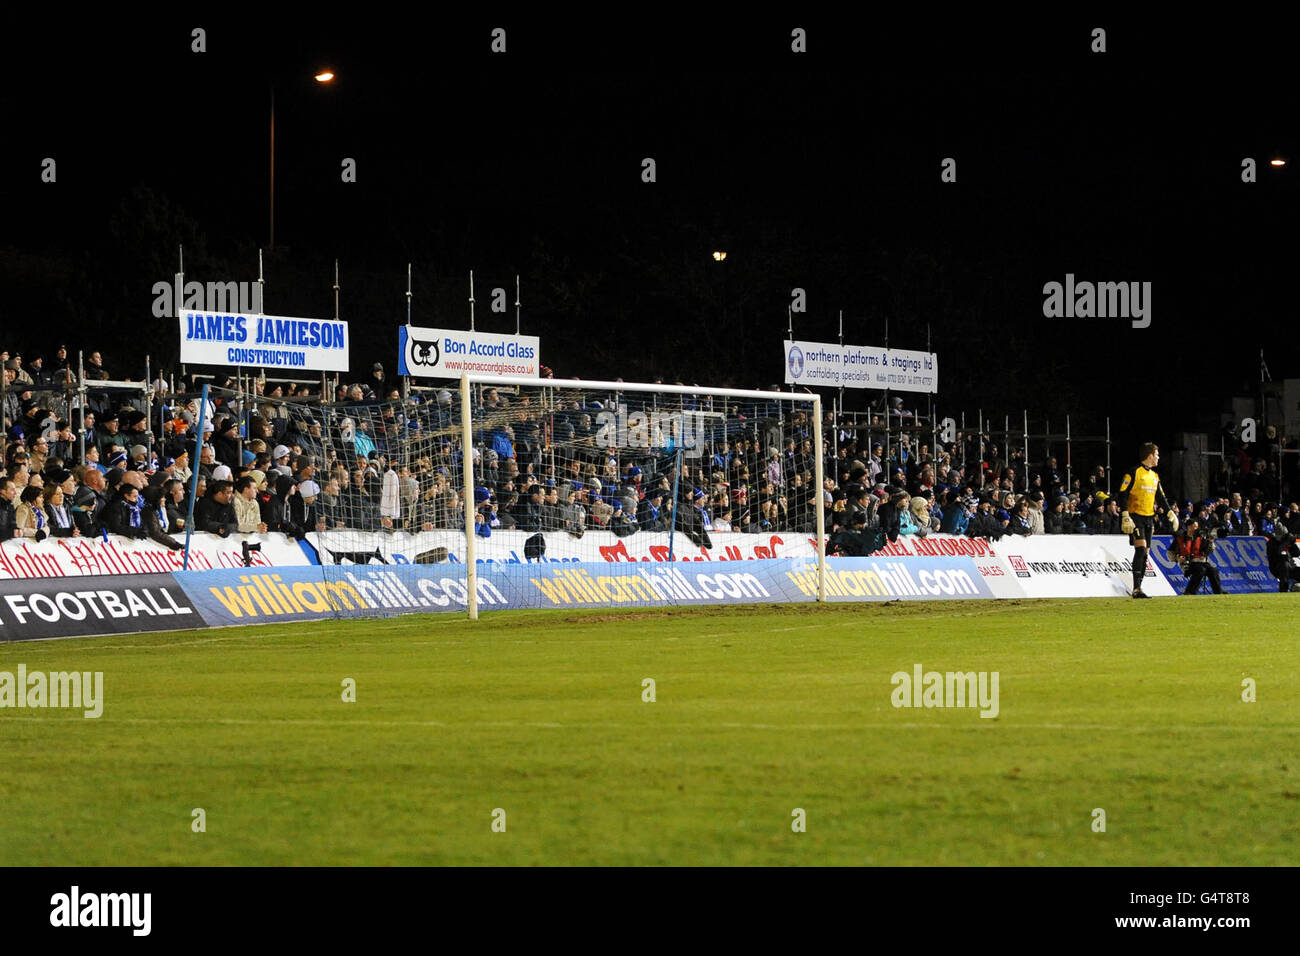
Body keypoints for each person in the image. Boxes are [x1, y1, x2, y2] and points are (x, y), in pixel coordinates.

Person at [1117, 442, 1178, 598]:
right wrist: (1125, 514)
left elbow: (1161, 497)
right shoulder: (1134, 472)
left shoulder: (1154, 476)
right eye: (1157, 454)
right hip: (1135, 516)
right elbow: (1122, 494)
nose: (1158, 458)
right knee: (1141, 549)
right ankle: (1136, 589)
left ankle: (1139, 588)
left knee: (1146, 554)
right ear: (1150, 455)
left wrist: (1170, 513)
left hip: (1149, 518)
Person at [1170, 516, 1222, 595]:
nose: (1196, 529)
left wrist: (1211, 542)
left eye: (1197, 527)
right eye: (1195, 527)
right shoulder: (1180, 537)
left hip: (1201, 562)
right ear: (1189, 527)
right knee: (1200, 570)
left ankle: (1218, 592)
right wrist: (1177, 558)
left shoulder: (1201, 537)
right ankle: (1190, 591)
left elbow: (1209, 551)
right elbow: (1170, 552)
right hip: (1187, 563)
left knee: (1213, 571)